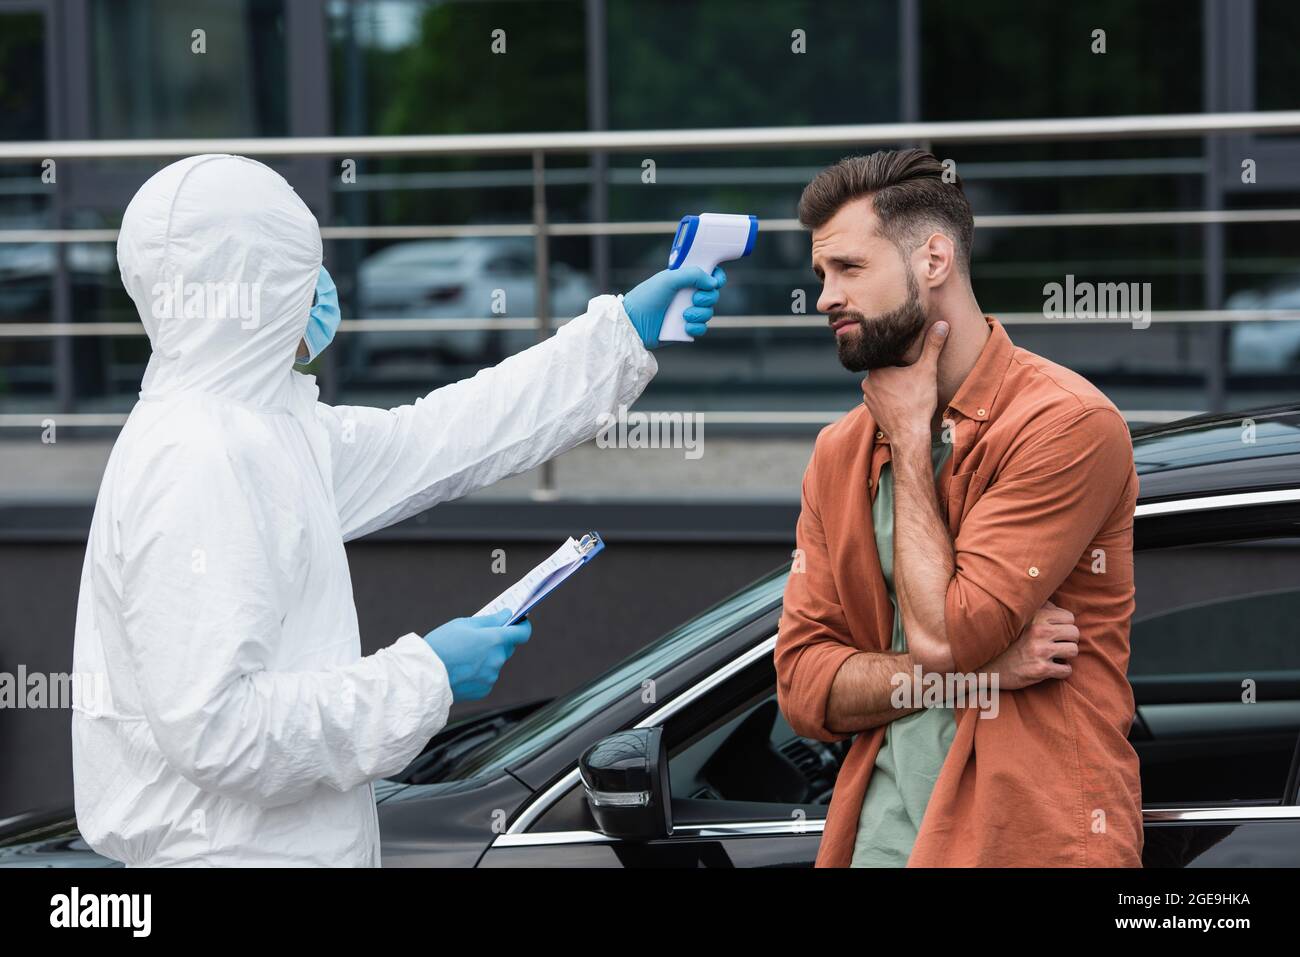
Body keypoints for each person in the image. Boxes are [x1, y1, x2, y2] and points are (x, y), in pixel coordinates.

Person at [71, 153, 726, 866]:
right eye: (303, 270)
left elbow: (440, 438)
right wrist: (426, 675)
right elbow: (220, 732)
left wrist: (621, 332)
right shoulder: (199, 458)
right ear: (254, 288)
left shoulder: (263, 431)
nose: (321, 289)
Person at [775, 149, 1143, 867]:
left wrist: (912, 443)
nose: (824, 297)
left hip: (1027, 844)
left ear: (935, 259)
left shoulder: (1064, 424)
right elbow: (804, 686)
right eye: (821, 275)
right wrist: (978, 674)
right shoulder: (839, 452)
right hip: (879, 845)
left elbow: (947, 635)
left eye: (848, 268)